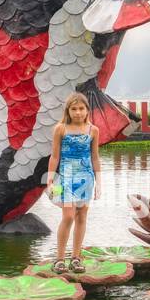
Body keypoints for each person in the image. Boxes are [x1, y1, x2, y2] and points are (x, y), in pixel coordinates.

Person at [45, 93, 101, 273]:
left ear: (87, 111)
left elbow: (95, 157)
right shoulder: (61, 129)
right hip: (65, 176)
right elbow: (54, 156)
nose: (78, 112)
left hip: (86, 177)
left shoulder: (93, 130)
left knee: (82, 216)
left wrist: (99, 182)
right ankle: (59, 259)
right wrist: (50, 179)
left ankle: (76, 258)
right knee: (68, 216)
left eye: (81, 109)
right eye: (74, 109)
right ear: (68, 110)